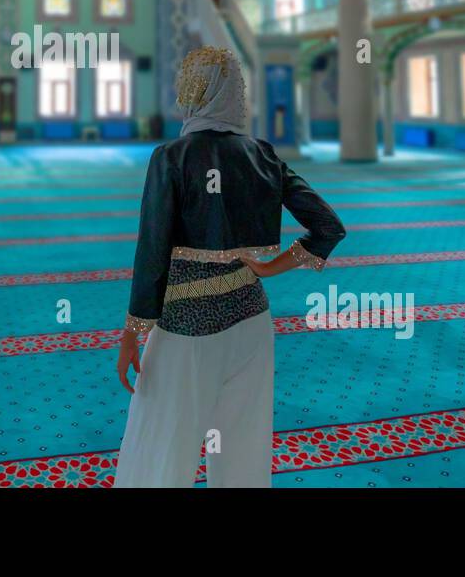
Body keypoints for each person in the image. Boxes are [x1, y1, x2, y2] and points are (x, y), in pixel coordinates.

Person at [113, 45, 346, 488]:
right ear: (236, 92)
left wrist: (132, 331)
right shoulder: (262, 155)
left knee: (163, 449)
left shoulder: (172, 157)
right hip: (252, 323)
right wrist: (271, 267)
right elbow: (328, 227)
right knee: (242, 450)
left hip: (186, 327)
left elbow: (151, 253)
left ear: (192, 90)